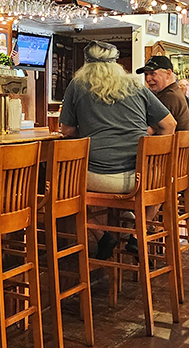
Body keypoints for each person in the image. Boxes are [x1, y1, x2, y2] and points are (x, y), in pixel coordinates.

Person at [59, 41, 176, 259]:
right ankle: (137, 235)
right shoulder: (136, 86)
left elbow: (67, 131)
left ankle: (102, 235)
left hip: (98, 177)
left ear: (86, 63)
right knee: (162, 181)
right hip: (141, 176)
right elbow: (169, 125)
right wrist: (154, 159)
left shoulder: (77, 85)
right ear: (116, 63)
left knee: (60, 189)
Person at [136, 55, 189, 130]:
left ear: (168, 73)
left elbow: (151, 130)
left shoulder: (170, 96)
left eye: (152, 73)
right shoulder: (170, 92)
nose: (148, 79)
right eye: (146, 74)